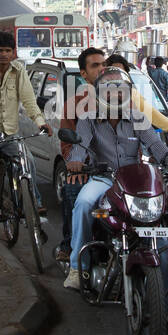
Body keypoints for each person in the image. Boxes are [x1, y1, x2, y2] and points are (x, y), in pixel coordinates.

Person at [65, 68, 168, 330]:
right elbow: (79, 146)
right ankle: (76, 268)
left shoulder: (137, 117)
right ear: (100, 94)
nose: (115, 96)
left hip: (134, 181)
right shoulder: (89, 118)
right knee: (82, 203)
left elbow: (156, 146)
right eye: (109, 91)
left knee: (159, 237)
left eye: (120, 91)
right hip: (103, 179)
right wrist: (76, 162)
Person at [0, 31, 51, 240]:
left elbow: (29, 100)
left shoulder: (19, 71)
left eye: (7, 51)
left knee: (29, 163)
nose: (4, 54)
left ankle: (35, 204)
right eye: (0, 51)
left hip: (11, 133)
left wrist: (41, 122)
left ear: (13, 53)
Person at [56, 46, 108, 263]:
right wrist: (75, 164)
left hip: (117, 170)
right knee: (74, 190)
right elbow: (68, 145)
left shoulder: (123, 100)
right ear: (84, 74)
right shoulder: (75, 104)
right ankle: (71, 246)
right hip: (87, 169)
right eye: (95, 65)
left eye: (104, 64)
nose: (102, 69)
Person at [103, 53, 168, 133]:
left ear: (126, 75)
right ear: (105, 74)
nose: (116, 77)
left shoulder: (131, 93)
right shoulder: (97, 93)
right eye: (112, 72)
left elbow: (150, 112)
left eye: (120, 73)